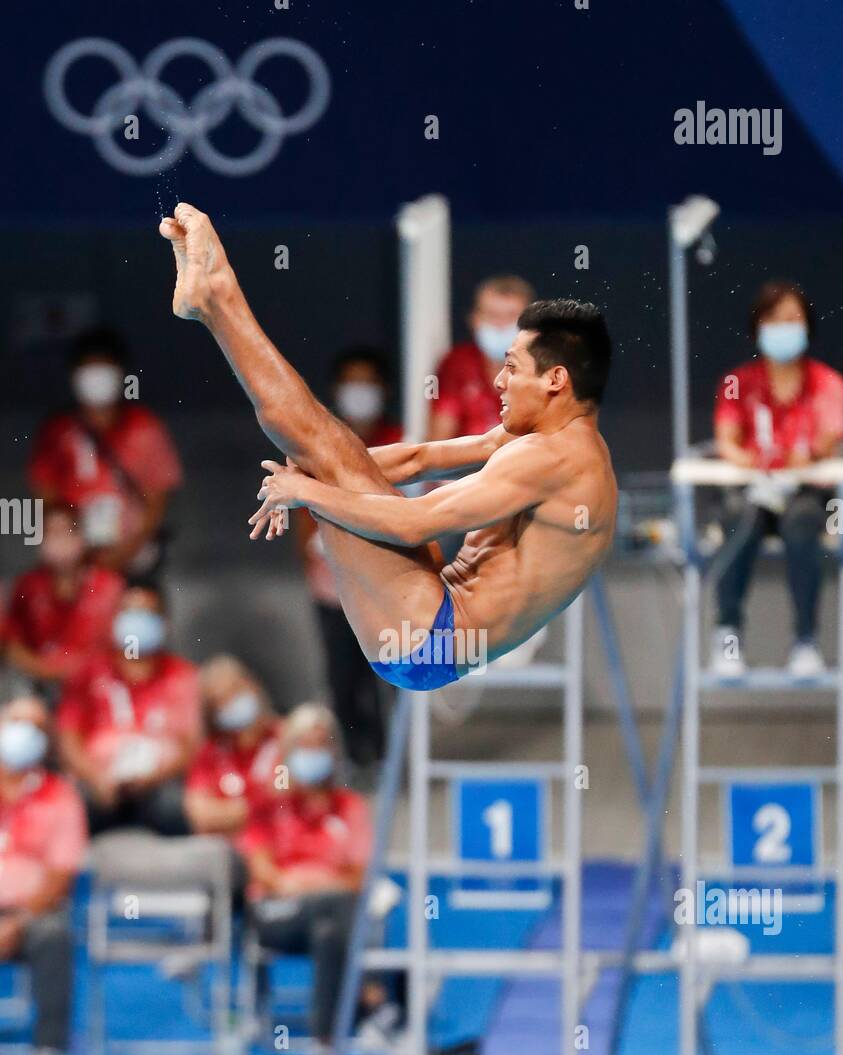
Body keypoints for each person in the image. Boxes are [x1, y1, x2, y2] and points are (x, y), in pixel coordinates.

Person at [159, 205, 617, 693]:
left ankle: (217, 295)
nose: (499, 380)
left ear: (556, 379)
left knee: (318, 436)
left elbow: (414, 522)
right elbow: (420, 458)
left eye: (511, 368)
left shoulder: (558, 458)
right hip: (429, 619)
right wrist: (313, 474)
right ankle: (211, 298)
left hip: (431, 636)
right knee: (323, 446)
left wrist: (309, 491)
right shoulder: (540, 434)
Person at [712, 280, 843, 679]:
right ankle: (728, 640)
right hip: (756, 490)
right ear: (758, 326)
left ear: (807, 326)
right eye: (775, 319)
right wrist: (752, 460)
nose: (784, 327)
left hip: (805, 493)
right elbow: (727, 441)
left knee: (802, 521)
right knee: (738, 515)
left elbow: (831, 436)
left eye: (793, 318)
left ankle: (806, 642)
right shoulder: (737, 381)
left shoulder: (827, 382)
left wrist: (811, 453)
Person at [238, 703, 373, 1055]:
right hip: (276, 913)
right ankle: (376, 1000)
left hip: (328, 915)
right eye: (304, 745)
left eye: (321, 745)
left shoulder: (351, 809)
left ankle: (324, 1053)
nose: (313, 754)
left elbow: (361, 875)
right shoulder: (268, 806)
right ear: (288, 751)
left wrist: (316, 884)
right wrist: (317, 885)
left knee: (332, 931)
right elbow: (264, 873)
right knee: (337, 909)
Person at [293, 348, 395, 769]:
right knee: (342, 675)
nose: (360, 393)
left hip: (387, 591)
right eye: (351, 383)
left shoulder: (399, 440)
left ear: (383, 390)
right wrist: (313, 546)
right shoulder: (319, 444)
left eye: (367, 383)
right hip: (333, 588)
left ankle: (392, 754)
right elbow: (301, 510)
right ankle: (355, 755)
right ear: (337, 390)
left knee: (388, 676)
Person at [28, 326, 183, 579]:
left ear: (121, 373)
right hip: (74, 558)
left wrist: (123, 553)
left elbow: (157, 501)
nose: (96, 378)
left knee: (137, 609)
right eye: (89, 369)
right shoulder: (57, 431)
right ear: (74, 376)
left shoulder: (144, 428)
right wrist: (72, 547)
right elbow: (45, 499)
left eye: (104, 368)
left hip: (134, 555)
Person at [56, 583, 202, 834]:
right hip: (98, 781)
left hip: (159, 783)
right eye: (129, 613)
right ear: (114, 620)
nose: (136, 622)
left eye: (145, 614)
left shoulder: (183, 676)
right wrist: (95, 778)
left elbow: (193, 743)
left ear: (164, 623)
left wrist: (153, 777)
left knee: (173, 806)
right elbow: (68, 738)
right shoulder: (89, 672)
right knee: (72, 805)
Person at [0, 696, 87, 1055]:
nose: (24, 734)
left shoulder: (60, 795)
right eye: (18, 722)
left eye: (36, 727)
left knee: (55, 937)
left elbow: (60, 877)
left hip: (31, 912)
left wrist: (15, 922)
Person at [2, 504, 124, 689]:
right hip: (39, 682)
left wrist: (81, 674)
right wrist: (46, 671)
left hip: (96, 684)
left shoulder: (108, 586)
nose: (59, 540)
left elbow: (121, 647)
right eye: (51, 532)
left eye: (66, 531)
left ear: (81, 537)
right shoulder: (28, 586)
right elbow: (11, 644)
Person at [184, 655, 281, 842]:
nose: (231, 703)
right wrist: (257, 806)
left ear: (252, 686)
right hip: (226, 852)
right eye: (221, 700)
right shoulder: (210, 753)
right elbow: (201, 816)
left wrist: (230, 813)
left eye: (235, 691)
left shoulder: (285, 738)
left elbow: (287, 805)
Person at [429, 275, 535, 440]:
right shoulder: (456, 364)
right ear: (475, 320)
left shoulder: (547, 367)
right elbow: (438, 441)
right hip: (469, 465)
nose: (501, 325)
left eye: (511, 316)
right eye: (493, 315)